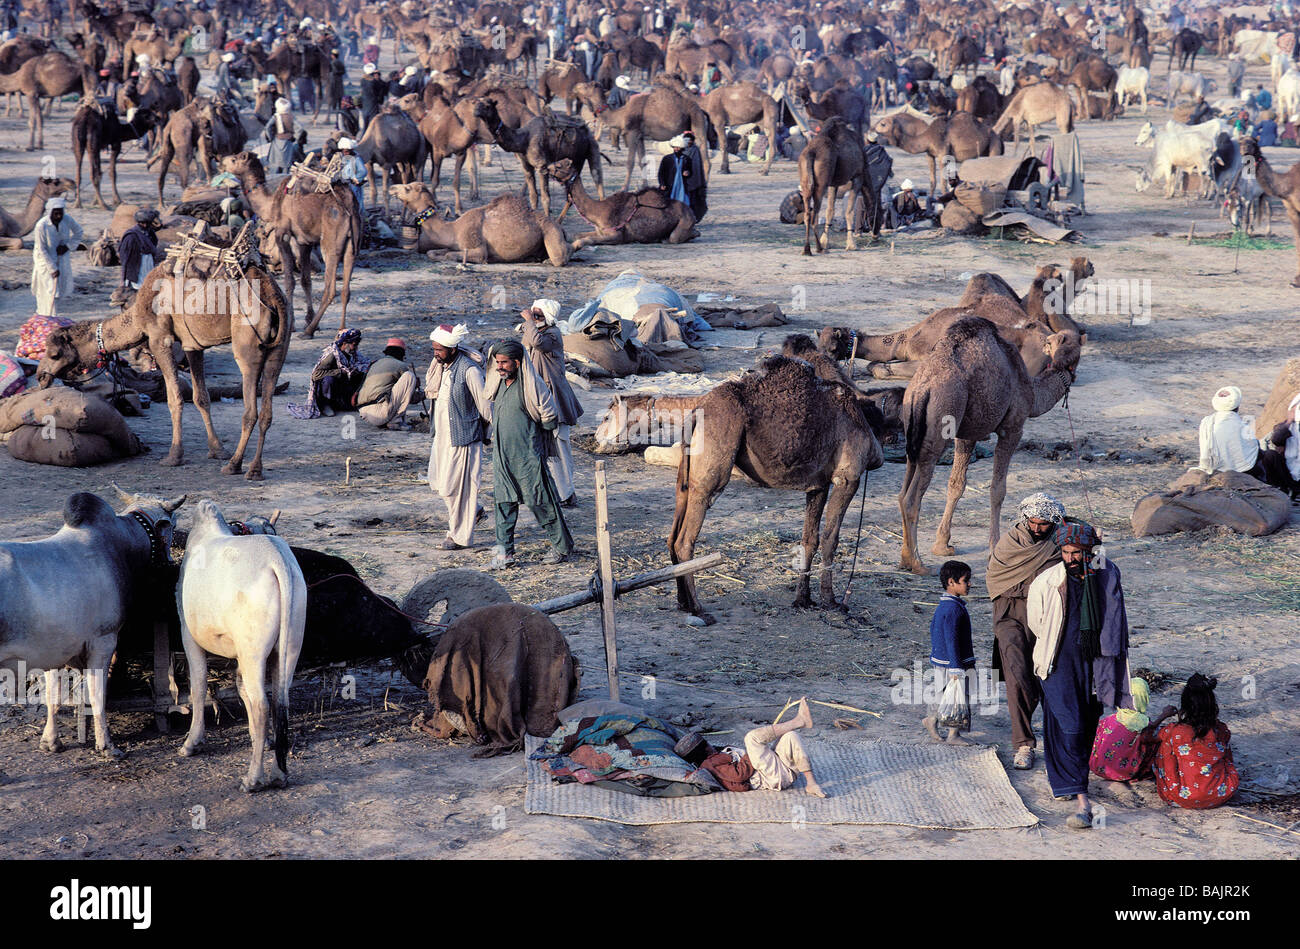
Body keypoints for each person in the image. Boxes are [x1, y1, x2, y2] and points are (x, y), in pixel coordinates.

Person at [1027, 521, 1134, 830]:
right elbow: (1036, 623)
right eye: (1065, 552)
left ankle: (1066, 782)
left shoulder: (1106, 574)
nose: (1070, 558)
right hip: (1057, 663)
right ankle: (1081, 799)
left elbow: (1115, 618)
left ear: (1089, 552)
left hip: (1096, 663)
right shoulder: (1047, 582)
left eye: (1077, 553)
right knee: (1069, 725)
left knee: (1087, 722)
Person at [986, 492, 1066, 770]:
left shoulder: (1060, 544)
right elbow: (997, 582)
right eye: (1032, 522)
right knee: (1017, 676)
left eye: (1044, 524)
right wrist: (1036, 588)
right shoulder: (1009, 544)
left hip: (1047, 619)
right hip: (1010, 617)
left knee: (1047, 676)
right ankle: (1023, 743)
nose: (1037, 528)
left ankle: (1053, 739)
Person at [483, 338, 574, 568]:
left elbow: (549, 420)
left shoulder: (532, 388)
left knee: (541, 503)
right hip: (502, 458)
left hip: (528, 459)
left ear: (517, 362)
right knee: (503, 505)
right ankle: (505, 554)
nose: (500, 367)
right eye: (497, 363)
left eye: (504, 362)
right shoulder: (499, 386)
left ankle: (562, 548)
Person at [426, 324, 491, 550]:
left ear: (453, 348)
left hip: (464, 438)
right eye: (434, 348)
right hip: (443, 438)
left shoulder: (469, 370)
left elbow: (486, 407)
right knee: (442, 485)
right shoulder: (441, 367)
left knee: (458, 488)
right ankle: (474, 511)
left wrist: (490, 433)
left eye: (440, 349)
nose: (436, 353)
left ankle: (459, 537)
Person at [521, 299, 583, 506]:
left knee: (559, 449)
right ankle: (551, 492)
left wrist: (529, 322)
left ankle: (567, 494)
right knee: (541, 449)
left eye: (537, 316)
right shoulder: (536, 333)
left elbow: (537, 343)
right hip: (539, 400)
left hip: (555, 400)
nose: (533, 319)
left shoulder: (552, 335)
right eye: (533, 314)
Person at [1150, 673, 1239, 808]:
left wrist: (1163, 716)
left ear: (1185, 704)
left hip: (1184, 797)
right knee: (1223, 746)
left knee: (1165, 742)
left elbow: (1146, 737)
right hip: (1222, 793)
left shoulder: (1175, 731)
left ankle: (1173, 785)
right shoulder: (1221, 729)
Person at [924, 560, 976, 745]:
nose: (969, 584)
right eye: (965, 580)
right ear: (951, 582)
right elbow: (950, 639)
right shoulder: (952, 609)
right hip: (954, 663)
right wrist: (956, 667)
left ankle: (932, 721)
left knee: (943, 694)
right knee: (959, 697)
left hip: (945, 661)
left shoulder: (947, 606)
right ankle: (952, 734)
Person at [287, 327, 370, 419]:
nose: (356, 347)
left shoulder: (352, 353)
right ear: (345, 343)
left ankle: (346, 403)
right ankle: (325, 404)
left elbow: (363, 363)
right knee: (329, 379)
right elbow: (316, 375)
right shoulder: (331, 355)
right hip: (330, 385)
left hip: (342, 385)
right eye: (354, 344)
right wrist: (339, 372)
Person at [1089, 676, 1158, 781]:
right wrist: (1164, 715)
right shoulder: (1142, 722)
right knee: (1158, 737)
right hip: (1123, 773)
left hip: (1097, 767)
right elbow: (1151, 728)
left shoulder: (1110, 719)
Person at [30, 197, 82, 318]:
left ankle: (53, 316)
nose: (59, 216)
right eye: (56, 213)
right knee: (47, 289)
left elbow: (79, 231)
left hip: (61, 257)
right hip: (44, 260)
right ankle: (46, 316)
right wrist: (52, 268)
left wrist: (68, 246)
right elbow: (41, 249)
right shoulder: (41, 226)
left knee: (59, 288)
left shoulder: (67, 219)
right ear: (50, 212)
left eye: (61, 212)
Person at [1196, 385, 1262, 478]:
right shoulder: (1242, 424)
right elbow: (1253, 448)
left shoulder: (1206, 421)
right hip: (1240, 469)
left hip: (1211, 466)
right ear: (1237, 406)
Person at [357, 337, 422, 429]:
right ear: (400, 353)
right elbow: (409, 398)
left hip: (364, 413)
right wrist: (421, 391)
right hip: (379, 413)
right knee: (409, 376)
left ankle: (388, 420)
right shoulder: (400, 365)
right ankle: (396, 421)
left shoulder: (376, 363)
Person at [116, 207, 159, 300]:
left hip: (148, 261)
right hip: (137, 263)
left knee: (148, 283)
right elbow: (125, 256)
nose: (146, 225)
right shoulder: (131, 236)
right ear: (141, 223)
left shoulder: (149, 232)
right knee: (138, 285)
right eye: (145, 223)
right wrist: (125, 273)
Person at [263, 97, 296, 174]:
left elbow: (267, 128)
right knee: (287, 165)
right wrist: (295, 137)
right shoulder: (291, 116)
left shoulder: (275, 117)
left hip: (277, 142)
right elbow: (299, 129)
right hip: (288, 142)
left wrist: (270, 138)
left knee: (275, 164)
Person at [681, 130, 707, 221]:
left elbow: (696, 167)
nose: (688, 142)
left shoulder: (695, 150)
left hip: (693, 180)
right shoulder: (680, 150)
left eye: (690, 140)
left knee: (693, 200)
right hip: (682, 180)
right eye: (686, 140)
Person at [658, 134, 691, 207]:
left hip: (682, 185)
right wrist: (662, 183)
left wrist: (688, 173)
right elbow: (661, 172)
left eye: (678, 147)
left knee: (683, 204)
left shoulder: (687, 159)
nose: (676, 149)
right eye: (675, 147)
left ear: (682, 148)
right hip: (669, 185)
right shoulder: (667, 158)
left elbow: (691, 172)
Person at [336, 137, 366, 211]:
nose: (346, 153)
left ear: (351, 150)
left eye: (347, 151)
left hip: (354, 184)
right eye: (344, 151)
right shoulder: (346, 158)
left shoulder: (356, 159)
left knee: (357, 202)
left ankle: (360, 218)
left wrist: (355, 179)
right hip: (348, 183)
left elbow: (363, 171)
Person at [360, 61, 386, 130]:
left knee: (365, 126)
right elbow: (380, 92)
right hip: (373, 105)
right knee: (373, 124)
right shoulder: (374, 82)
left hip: (365, 104)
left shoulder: (362, 80)